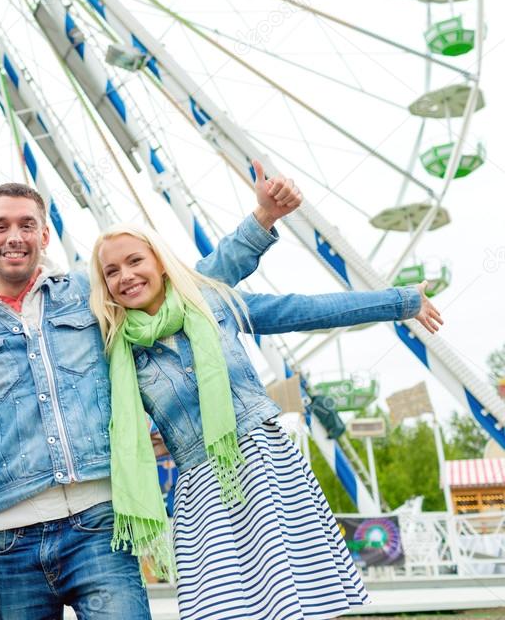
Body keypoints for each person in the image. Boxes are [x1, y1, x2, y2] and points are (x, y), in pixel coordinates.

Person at [0, 161, 302, 618]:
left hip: (99, 523)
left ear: (45, 236)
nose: (15, 236)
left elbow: (184, 287)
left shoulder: (88, 294)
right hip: (11, 538)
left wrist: (262, 220)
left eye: (27, 225)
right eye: (2, 226)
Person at [88, 221, 443, 620]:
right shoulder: (119, 350)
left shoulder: (212, 303)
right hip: (202, 487)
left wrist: (401, 302)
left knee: (296, 601)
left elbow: (305, 310)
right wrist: (157, 435)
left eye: (135, 261)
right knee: (219, 608)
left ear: (161, 263)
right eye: (112, 272)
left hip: (264, 465)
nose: (126, 276)